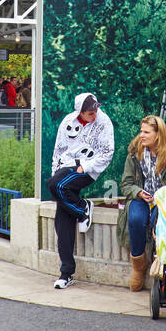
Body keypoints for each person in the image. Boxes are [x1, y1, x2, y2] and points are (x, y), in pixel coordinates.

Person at [50, 93, 116, 289]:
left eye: (95, 111)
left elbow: (107, 153)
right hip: (65, 167)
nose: (94, 115)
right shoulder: (67, 122)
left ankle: (81, 207)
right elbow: (59, 149)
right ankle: (66, 273)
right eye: (90, 113)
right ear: (80, 112)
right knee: (62, 215)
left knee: (57, 186)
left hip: (87, 167)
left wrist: (85, 168)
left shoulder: (104, 122)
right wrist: (55, 171)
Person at [116, 113, 166, 292]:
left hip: (165, 200)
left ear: (158, 135)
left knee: (160, 223)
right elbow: (126, 184)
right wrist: (138, 192)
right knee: (135, 220)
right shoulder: (135, 153)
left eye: (147, 132)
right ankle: (138, 266)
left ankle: (161, 263)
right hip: (142, 197)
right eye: (141, 131)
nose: (142, 135)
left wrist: (165, 195)